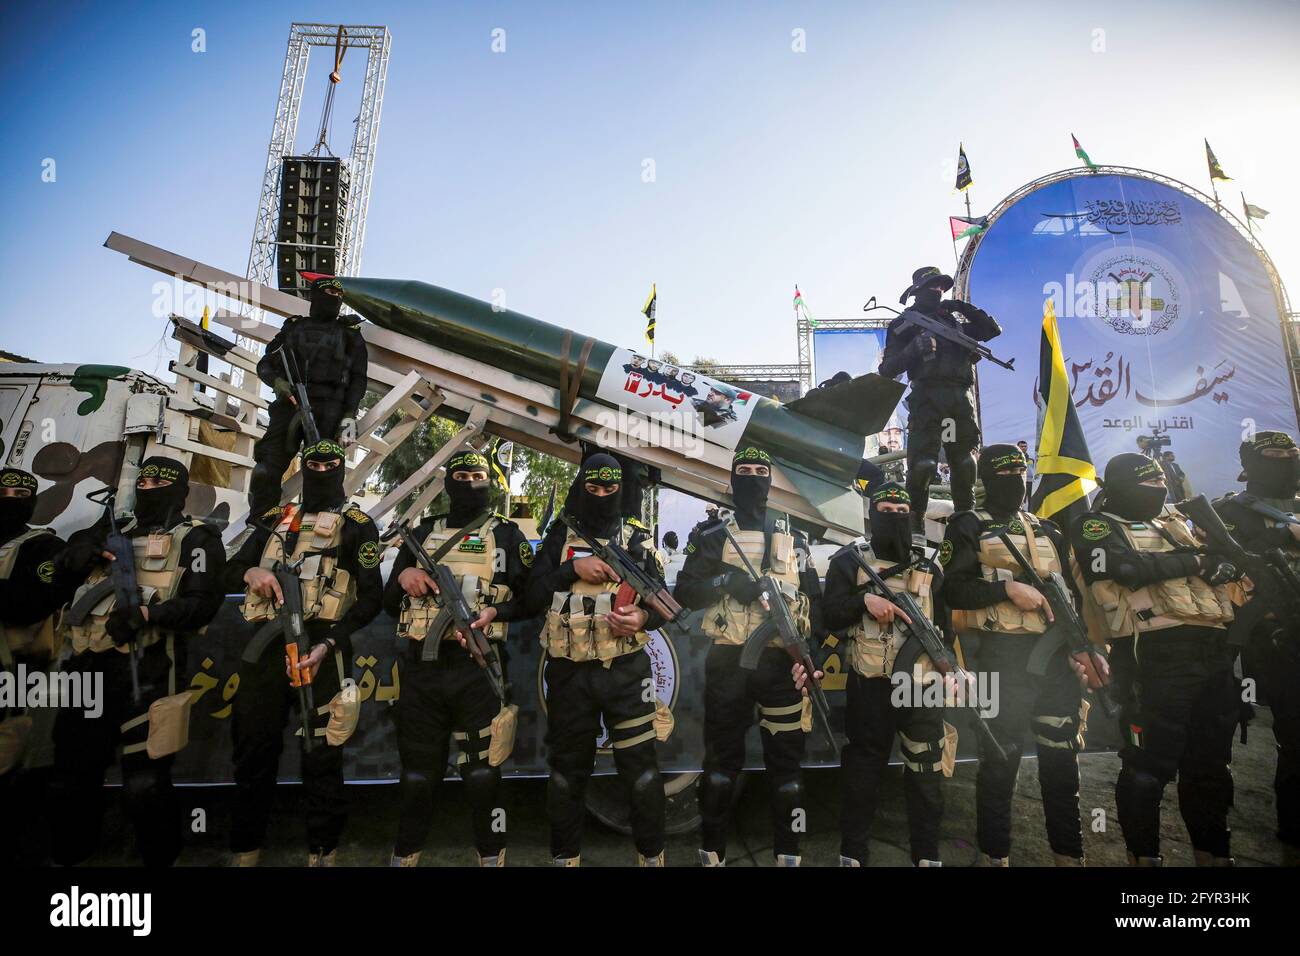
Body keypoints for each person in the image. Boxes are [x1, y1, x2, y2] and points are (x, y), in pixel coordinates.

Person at [50, 456, 226, 866]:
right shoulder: (114, 528)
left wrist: (148, 615)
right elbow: (70, 557)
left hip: (150, 669)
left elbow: (202, 605)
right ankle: (71, 853)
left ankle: (158, 857)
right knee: (72, 774)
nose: (148, 489)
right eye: (143, 482)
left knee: (145, 783)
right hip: (87, 668)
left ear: (180, 492)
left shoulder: (198, 538)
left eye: (158, 484)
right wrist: (81, 549)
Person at [1071, 453, 1239, 866]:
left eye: (1161, 480)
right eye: (1147, 481)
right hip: (1151, 654)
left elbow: (1228, 567)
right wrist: (1200, 562)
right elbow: (1122, 566)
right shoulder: (1096, 525)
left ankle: (1214, 856)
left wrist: (1209, 560)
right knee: (1148, 767)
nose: (1157, 488)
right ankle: (1144, 859)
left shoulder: (1175, 522)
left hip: (1212, 651)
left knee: (1211, 769)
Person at [225, 439, 382, 866]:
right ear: (303, 468)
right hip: (264, 653)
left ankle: (322, 850)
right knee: (253, 750)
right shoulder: (274, 519)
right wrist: (250, 569)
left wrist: (331, 642)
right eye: (314, 464)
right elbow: (228, 566)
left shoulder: (357, 525)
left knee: (322, 755)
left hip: (322, 651)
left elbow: (371, 600)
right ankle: (246, 848)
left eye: (331, 464)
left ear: (341, 470)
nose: (323, 470)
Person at [940, 444, 1091, 866]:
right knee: (999, 764)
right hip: (1000, 659)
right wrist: (1005, 589)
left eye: (1021, 472)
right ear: (986, 480)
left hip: (1055, 661)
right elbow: (951, 589)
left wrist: (1084, 648)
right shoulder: (967, 526)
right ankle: (995, 855)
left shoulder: (1049, 529)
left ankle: (1069, 854)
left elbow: (1075, 598)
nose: (1016, 480)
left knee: (1062, 763)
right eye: (1005, 474)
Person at [385, 450, 532, 867]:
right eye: (460, 475)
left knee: (483, 773)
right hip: (422, 669)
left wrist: (494, 613)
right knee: (417, 774)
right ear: (448, 482)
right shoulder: (423, 533)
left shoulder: (507, 536)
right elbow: (386, 603)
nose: (468, 482)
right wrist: (404, 576)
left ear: (491, 482)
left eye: (477, 475)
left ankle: (490, 854)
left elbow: (531, 599)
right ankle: (405, 853)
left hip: (478, 670)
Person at [674, 446, 820, 866]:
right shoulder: (712, 535)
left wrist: (809, 656)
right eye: (745, 470)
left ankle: (788, 854)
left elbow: (815, 598)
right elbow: (684, 591)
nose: (753, 477)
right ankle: (711, 852)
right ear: (733, 477)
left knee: (787, 771)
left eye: (761, 470)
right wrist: (724, 579)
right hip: (728, 661)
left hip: (782, 665)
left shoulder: (796, 534)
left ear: (770, 479)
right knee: (720, 766)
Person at [524, 452, 670, 866]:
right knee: (566, 776)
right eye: (593, 488)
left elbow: (666, 607)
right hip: (570, 672)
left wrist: (642, 615)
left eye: (610, 488)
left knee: (641, 774)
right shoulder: (559, 536)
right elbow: (531, 596)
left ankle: (652, 858)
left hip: (626, 672)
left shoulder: (639, 539)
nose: (603, 495)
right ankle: (565, 858)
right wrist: (574, 569)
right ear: (581, 487)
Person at [820, 480, 950, 867]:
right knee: (863, 771)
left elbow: (945, 624)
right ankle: (853, 853)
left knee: (926, 771)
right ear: (871, 513)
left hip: (923, 686)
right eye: (884, 511)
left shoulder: (930, 562)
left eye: (900, 512)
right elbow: (830, 615)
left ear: (911, 515)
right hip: (871, 682)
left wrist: (954, 671)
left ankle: (927, 855)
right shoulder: (850, 560)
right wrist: (865, 600)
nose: (892, 517)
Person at [1213, 431, 1300, 848]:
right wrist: (1284, 537)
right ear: (1251, 461)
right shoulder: (1232, 508)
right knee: (1294, 731)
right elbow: (1223, 556)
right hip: (1272, 633)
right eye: (1273, 455)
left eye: (1290, 454)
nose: (1283, 460)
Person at [880, 267, 1002, 536]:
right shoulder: (904, 325)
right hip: (927, 396)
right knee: (922, 465)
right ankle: (915, 528)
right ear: (917, 291)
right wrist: (914, 349)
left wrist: (961, 306)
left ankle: (965, 524)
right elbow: (888, 369)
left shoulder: (954, 322)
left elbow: (992, 330)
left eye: (941, 288)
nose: (937, 292)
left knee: (964, 462)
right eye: (931, 287)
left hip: (960, 397)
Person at [248, 273, 369, 518]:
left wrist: (349, 415)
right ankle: (261, 523)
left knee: (325, 469)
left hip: (330, 409)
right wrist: (278, 382)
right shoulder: (293, 328)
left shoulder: (349, 333)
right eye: (329, 293)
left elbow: (358, 377)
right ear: (315, 297)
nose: (334, 298)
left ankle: (320, 524)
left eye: (338, 295)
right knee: (264, 470)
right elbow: (265, 365)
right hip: (289, 404)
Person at [0, 467, 72, 864]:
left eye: (19, 494)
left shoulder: (43, 546)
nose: (10, 499)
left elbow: (31, 604)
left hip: (21, 675)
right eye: (3, 492)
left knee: (18, 771)